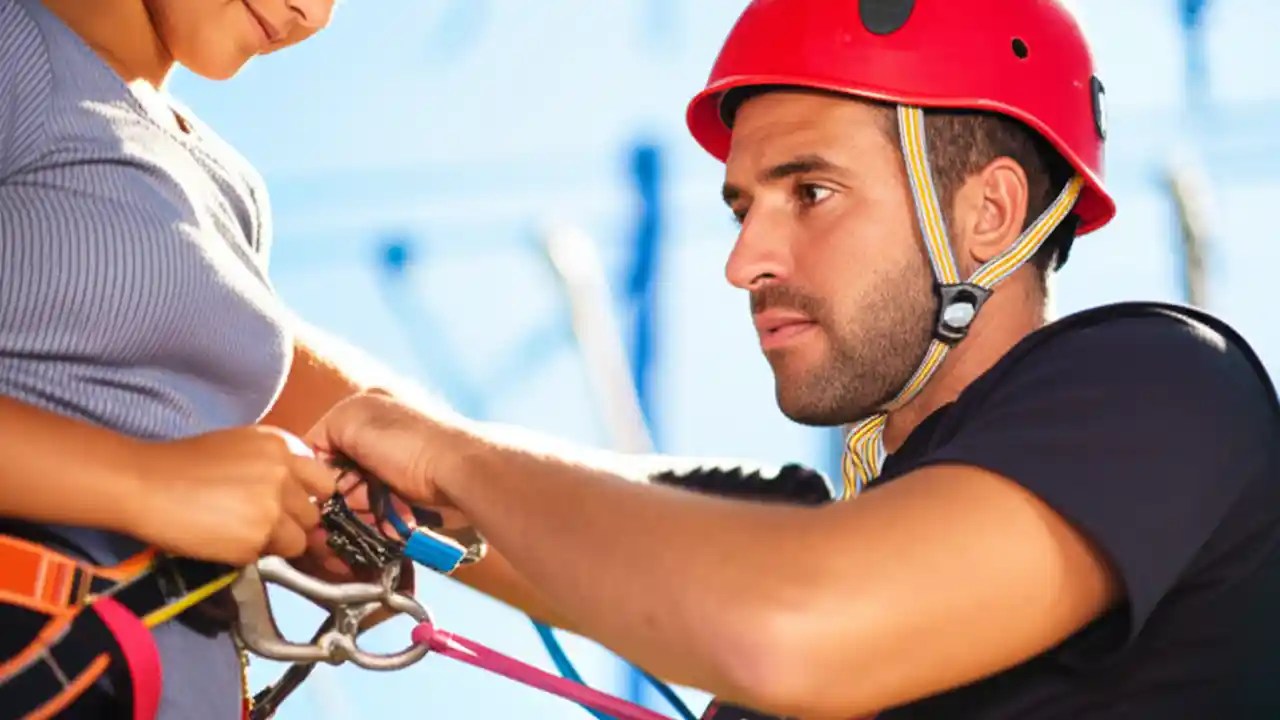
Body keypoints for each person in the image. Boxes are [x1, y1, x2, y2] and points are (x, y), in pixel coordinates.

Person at [306, 2, 1280, 719]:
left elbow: (791, 622)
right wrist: (392, 489)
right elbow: (548, 516)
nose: (743, 263)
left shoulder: (1166, 389)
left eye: (809, 192)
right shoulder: (798, 544)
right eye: (742, 209)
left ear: (988, 213)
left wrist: (447, 464)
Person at [0, 0, 442, 717]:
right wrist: (146, 486)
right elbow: (165, 481)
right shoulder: (15, 42)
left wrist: (303, 525)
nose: (313, 14)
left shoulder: (236, 191)